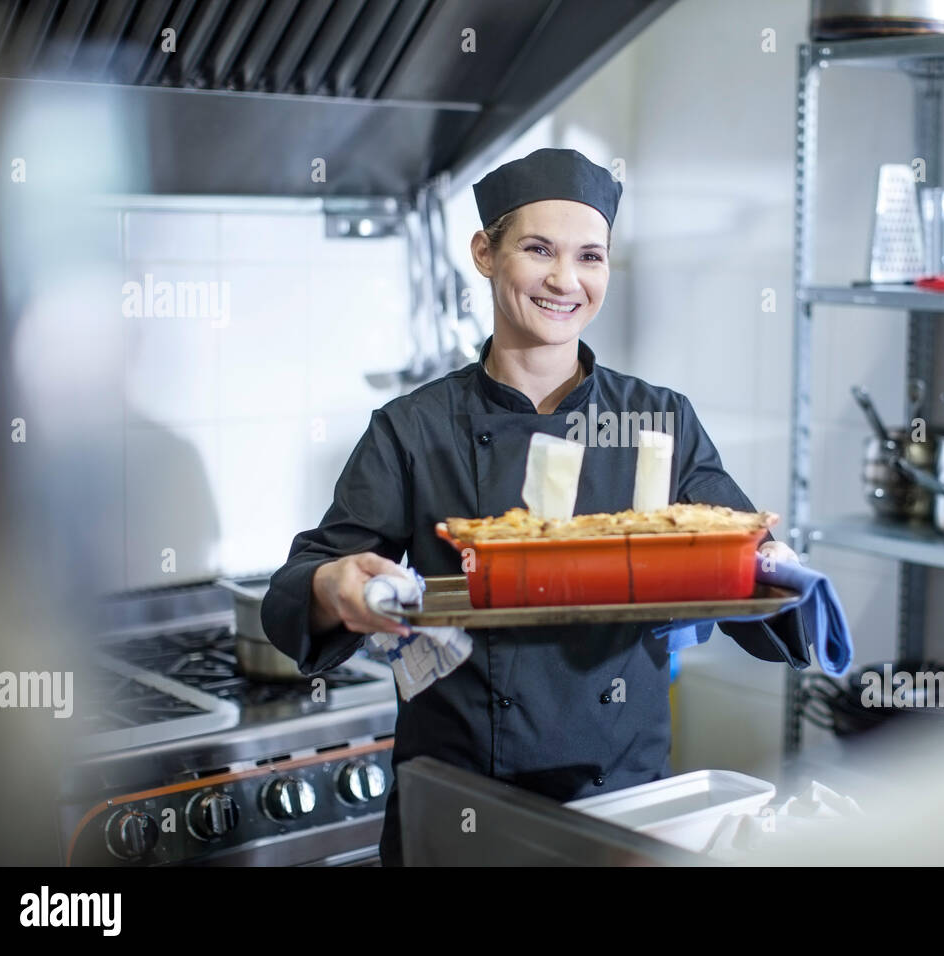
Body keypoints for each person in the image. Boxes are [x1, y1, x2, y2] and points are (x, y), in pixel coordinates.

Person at [261, 148, 812, 867]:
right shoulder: (414, 428)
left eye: (590, 256)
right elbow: (298, 585)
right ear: (485, 253)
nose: (565, 280)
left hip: (621, 805)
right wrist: (333, 587)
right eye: (538, 251)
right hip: (462, 804)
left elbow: (753, 566)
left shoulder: (659, 421)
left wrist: (784, 574)